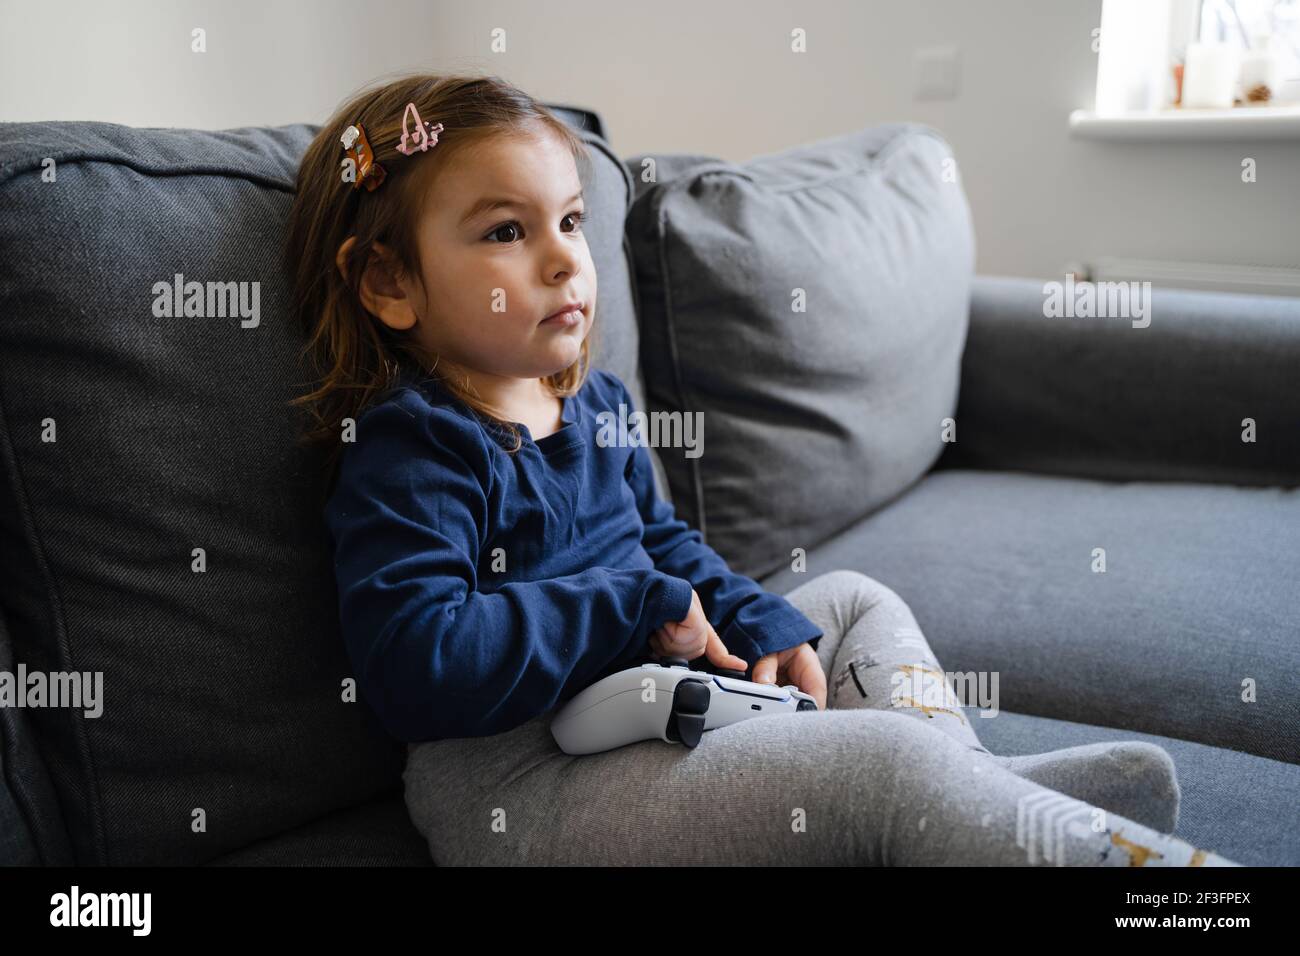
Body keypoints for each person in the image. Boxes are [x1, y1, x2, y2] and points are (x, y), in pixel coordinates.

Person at [284, 71, 1239, 866]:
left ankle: (967, 787)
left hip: (664, 702)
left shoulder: (598, 407)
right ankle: (1048, 840)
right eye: (505, 232)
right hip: (522, 780)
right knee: (881, 771)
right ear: (389, 283)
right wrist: (625, 604)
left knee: (855, 601)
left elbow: (662, 544)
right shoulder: (412, 446)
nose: (565, 262)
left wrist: (752, 616)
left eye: (570, 222)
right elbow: (417, 662)